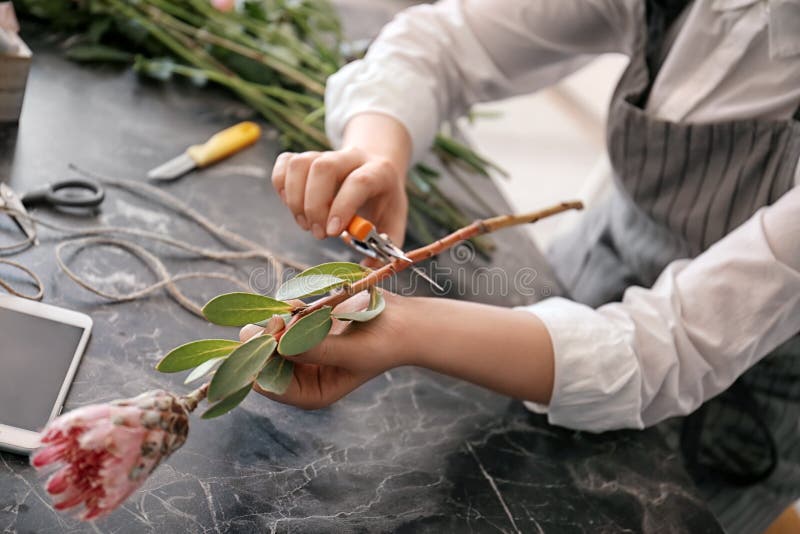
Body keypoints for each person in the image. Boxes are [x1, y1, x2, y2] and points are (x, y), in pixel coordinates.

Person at [241, 1, 800, 532]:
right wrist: (374, 153)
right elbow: (446, 42)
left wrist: (403, 329)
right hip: (592, 264)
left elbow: (665, 350)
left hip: (740, 392)